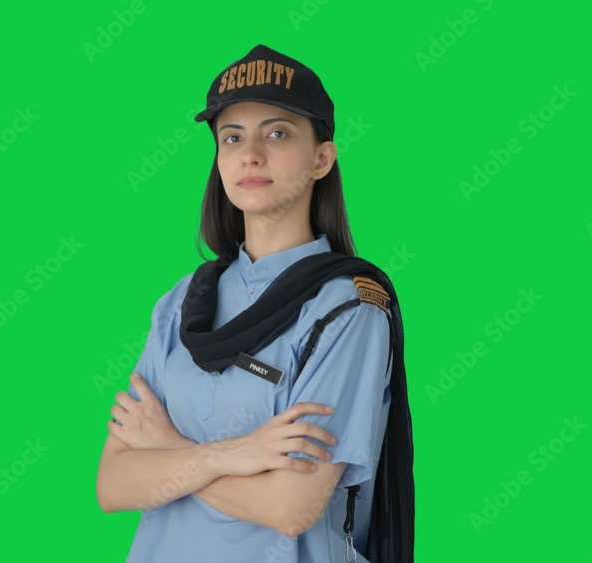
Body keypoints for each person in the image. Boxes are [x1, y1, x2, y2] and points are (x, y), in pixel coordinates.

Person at [96, 44, 413, 563]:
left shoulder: (348, 310)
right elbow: (112, 483)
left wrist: (171, 451)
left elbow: (290, 508)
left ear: (321, 158)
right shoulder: (182, 302)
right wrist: (233, 455)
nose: (251, 154)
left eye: (277, 133)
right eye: (232, 137)